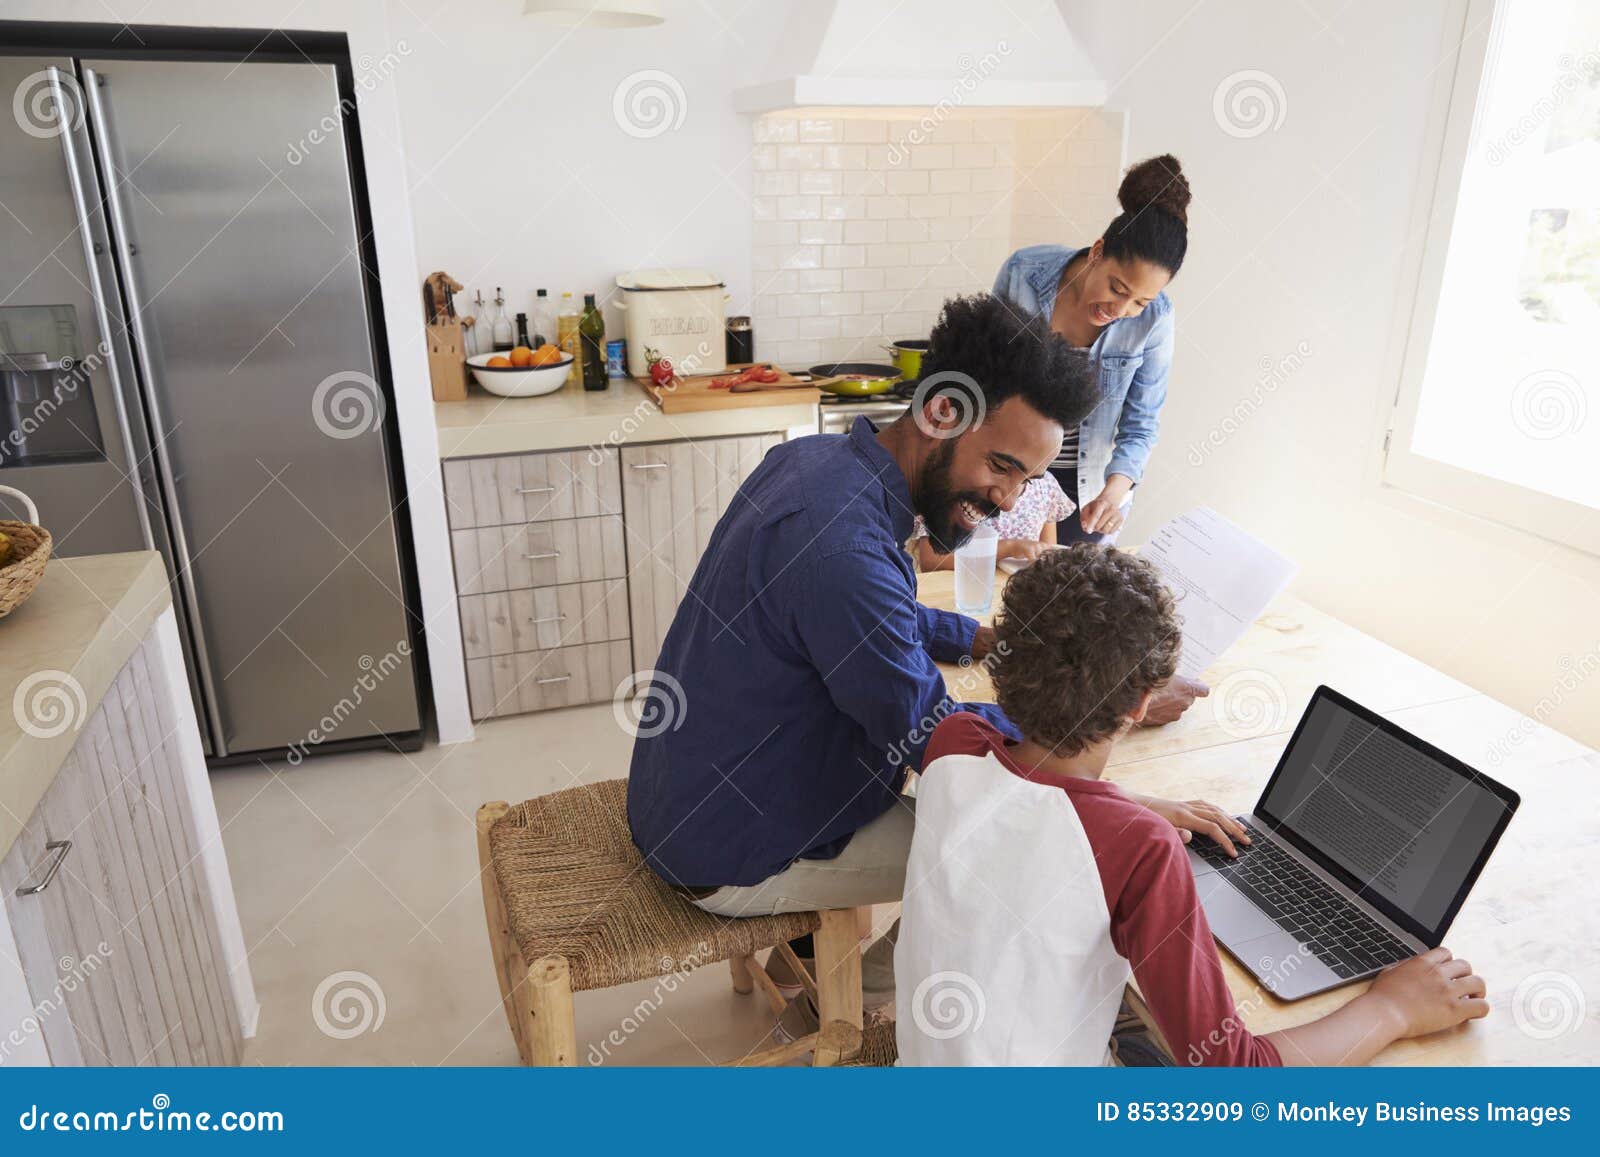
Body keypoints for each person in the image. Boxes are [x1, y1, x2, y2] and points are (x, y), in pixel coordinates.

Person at [627, 294, 1217, 1006]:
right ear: (941, 413)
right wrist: (1110, 746)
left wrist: (983, 637)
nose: (1007, 499)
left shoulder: (815, 465)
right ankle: (858, 997)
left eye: (1027, 479)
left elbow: (875, 612)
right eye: (1000, 465)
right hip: (730, 843)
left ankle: (819, 966)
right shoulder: (841, 547)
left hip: (686, 791)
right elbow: (941, 743)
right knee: (1010, 850)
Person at [896, 546, 1491, 1066]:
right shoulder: (1137, 848)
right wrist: (1393, 1009)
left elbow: (1031, 788)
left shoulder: (954, 741)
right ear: (1140, 705)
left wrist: (1133, 803)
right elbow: (1233, 1074)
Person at [993, 154, 1191, 545]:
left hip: (1089, 494)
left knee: (1071, 600)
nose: (1121, 310)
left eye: (1139, 302)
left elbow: (1142, 423)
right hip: (1011, 476)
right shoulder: (1025, 273)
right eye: (1117, 288)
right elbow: (988, 373)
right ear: (1098, 251)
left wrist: (1114, 494)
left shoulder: (1157, 319)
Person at [908, 472, 1072, 572]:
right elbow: (931, 561)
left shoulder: (1047, 486)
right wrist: (1008, 548)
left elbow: (1048, 555)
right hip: (962, 595)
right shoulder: (958, 484)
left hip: (1019, 596)